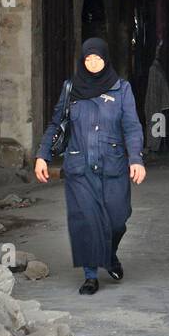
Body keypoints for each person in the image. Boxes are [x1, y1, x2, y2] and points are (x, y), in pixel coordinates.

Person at [35, 38, 145, 295]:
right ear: (82, 61)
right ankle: (90, 275)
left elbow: (131, 126)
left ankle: (110, 254)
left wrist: (136, 159)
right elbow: (56, 124)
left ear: (106, 59)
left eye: (97, 58)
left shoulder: (122, 89)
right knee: (87, 220)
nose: (93, 63)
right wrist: (43, 155)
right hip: (79, 165)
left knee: (118, 219)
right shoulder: (71, 88)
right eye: (88, 59)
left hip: (113, 164)